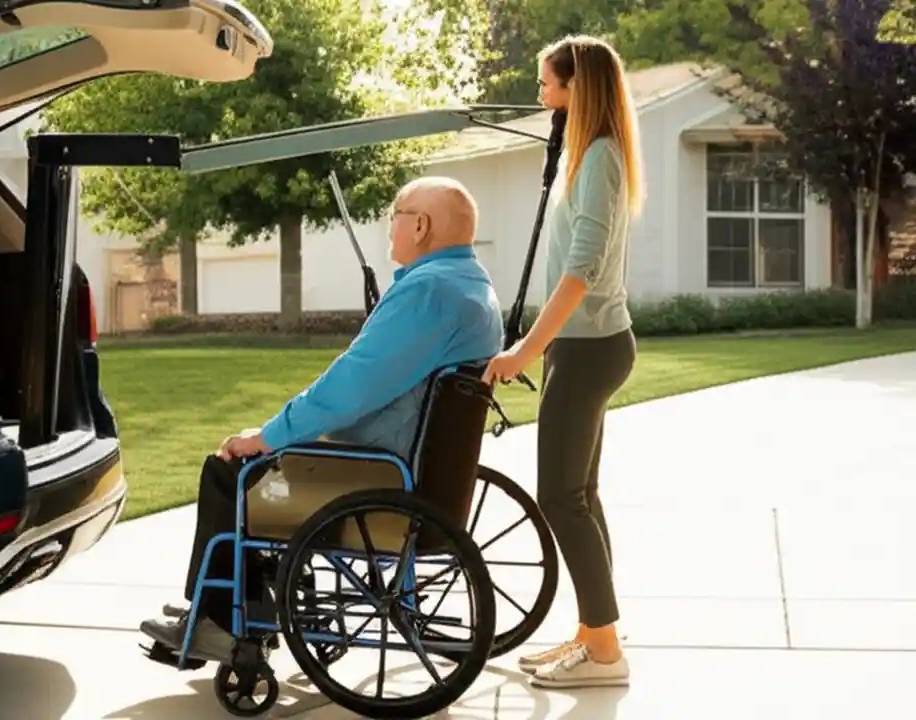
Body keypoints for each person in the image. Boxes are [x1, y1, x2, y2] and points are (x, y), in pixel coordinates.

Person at [140, 176, 504, 662]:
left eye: (394, 215)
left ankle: (219, 621)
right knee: (260, 461)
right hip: (409, 466)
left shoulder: (427, 292)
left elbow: (349, 387)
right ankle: (246, 597)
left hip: (372, 471)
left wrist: (268, 436)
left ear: (420, 225)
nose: (388, 227)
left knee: (230, 470)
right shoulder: (473, 286)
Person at [483, 35, 643, 689]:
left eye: (549, 83)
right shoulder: (590, 155)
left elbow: (581, 271)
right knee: (580, 496)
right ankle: (593, 632)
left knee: (559, 498)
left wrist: (527, 348)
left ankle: (604, 655)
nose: (542, 92)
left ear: (579, 88)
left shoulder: (600, 157)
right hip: (584, 348)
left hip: (588, 349)